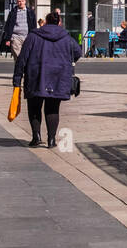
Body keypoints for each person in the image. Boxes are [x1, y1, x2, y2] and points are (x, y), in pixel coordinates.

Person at [13, 10, 81, 148]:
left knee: (34, 107)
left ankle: (36, 137)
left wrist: (17, 79)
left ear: (46, 22)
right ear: (59, 22)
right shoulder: (66, 37)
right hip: (58, 77)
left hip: (36, 76)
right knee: (53, 108)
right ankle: (51, 140)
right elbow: (78, 52)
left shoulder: (33, 36)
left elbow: (22, 59)